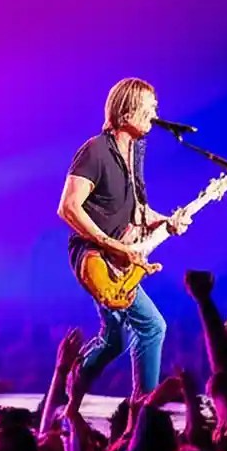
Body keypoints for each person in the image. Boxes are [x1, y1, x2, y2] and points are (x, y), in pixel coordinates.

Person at [57, 77, 190, 398]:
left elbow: (137, 210)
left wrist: (167, 221)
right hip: (94, 256)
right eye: (149, 107)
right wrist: (111, 244)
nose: (155, 112)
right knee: (152, 327)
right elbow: (68, 207)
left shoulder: (135, 152)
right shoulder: (95, 151)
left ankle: (69, 388)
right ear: (127, 113)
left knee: (114, 337)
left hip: (117, 257)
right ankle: (145, 409)